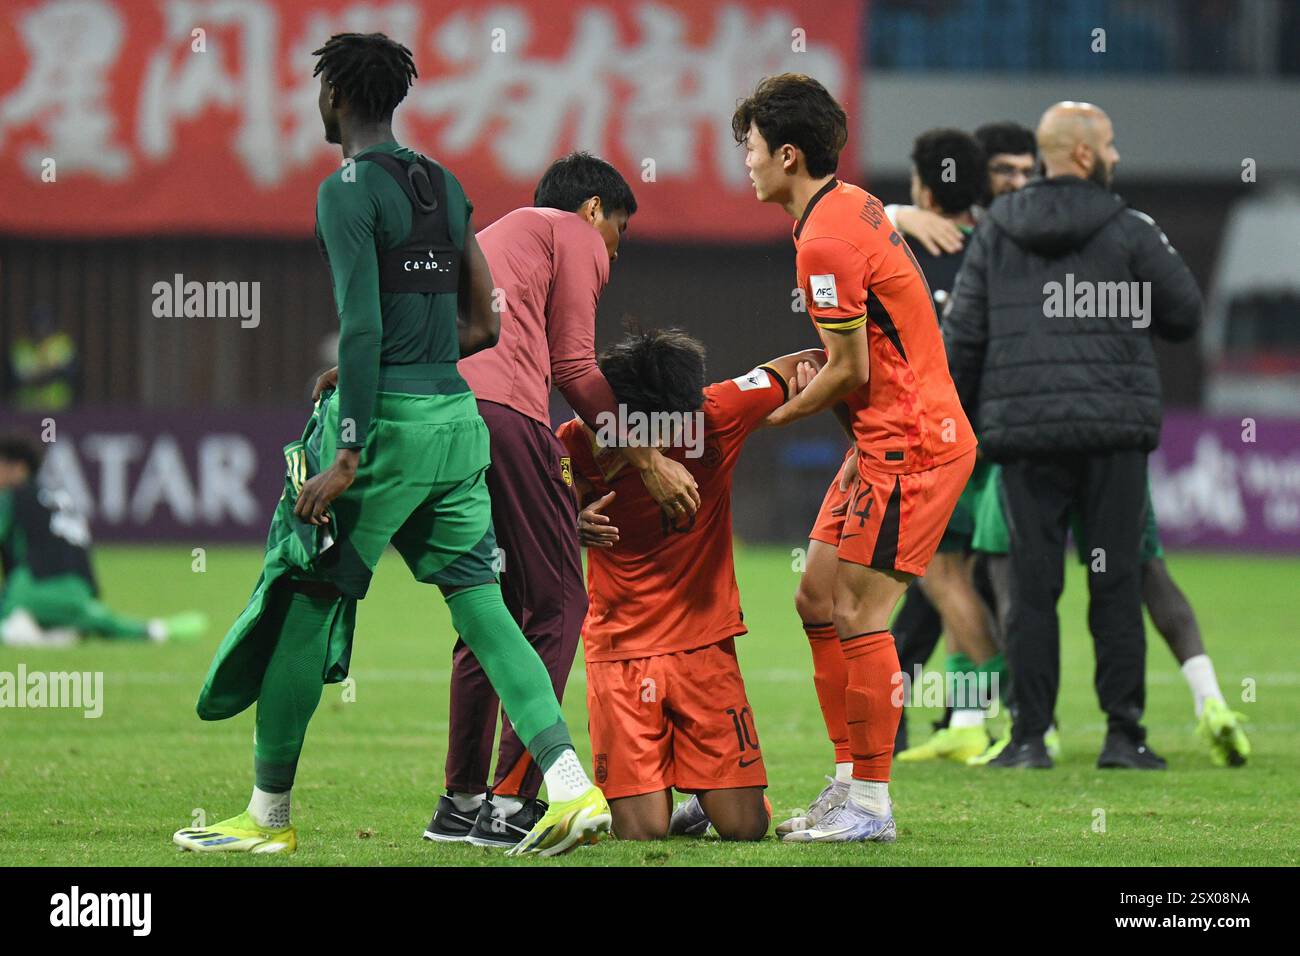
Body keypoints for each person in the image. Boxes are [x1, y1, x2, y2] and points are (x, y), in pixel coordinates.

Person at [172, 32, 609, 857]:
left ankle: (267, 819)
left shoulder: (344, 191)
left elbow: (364, 322)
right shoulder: (443, 185)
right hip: (455, 424)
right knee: (484, 607)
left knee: (305, 599)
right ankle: (568, 786)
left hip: (388, 436)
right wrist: (393, 361)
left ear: (334, 96)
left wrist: (347, 450)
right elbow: (485, 321)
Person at [426, 153, 700, 848]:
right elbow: (576, 365)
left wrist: (545, 514)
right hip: (502, 415)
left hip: (441, 417)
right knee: (557, 605)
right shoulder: (569, 232)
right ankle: (514, 801)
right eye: (619, 233)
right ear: (593, 211)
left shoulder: (498, 240)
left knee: (487, 610)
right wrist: (648, 458)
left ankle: (460, 801)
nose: (613, 253)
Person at [735, 74, 977, 843]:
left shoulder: (827, 237)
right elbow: (856, 348)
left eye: (750, 148)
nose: (745, 163)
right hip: (883, 436)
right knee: (815, 597)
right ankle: (847, 784)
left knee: (859, 613)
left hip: (911, 443)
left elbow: (851, 372)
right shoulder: (843, 208)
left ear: (788, 153)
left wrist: (769, 416)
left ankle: (871, 805)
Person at [944, 101, 1201, 770]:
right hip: (1112, 434)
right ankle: (1123, 737)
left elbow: (962, 340)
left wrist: (964, 427)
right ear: (1085, 155)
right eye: (1110, 145)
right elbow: (1184, 315)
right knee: (1114, 583)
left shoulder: (998, 229)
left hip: (1025, 436)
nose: (1116, 156)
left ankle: (1030, 738)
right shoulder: (1128, 227)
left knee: (1031, 589)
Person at [558, 328, 823, 841]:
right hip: (620, 651)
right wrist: (566, 524)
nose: (657, 441)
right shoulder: (572, 444)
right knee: (642, 833)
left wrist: (801, 396)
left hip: (706, 645)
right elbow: (515, 515)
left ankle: (709, 799)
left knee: (747, 829)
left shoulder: (717, 412)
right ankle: (677, 791)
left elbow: (811, 360)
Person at [0, 434, 206, 648]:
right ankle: (150, 630)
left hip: (31, 591)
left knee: (11, 617)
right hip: (81, 596)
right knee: (95, 620)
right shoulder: (61, 500)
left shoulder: (9, 498)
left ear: (17, 468)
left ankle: (26, 631)